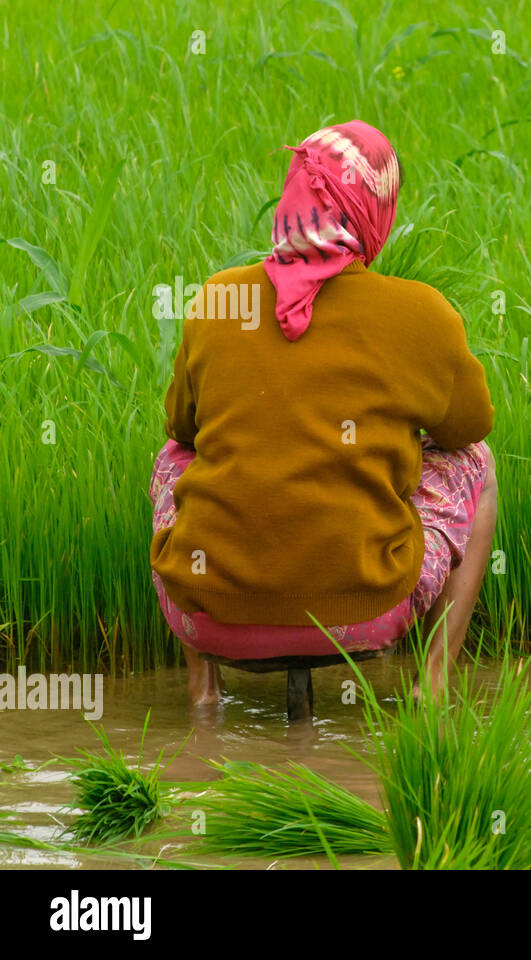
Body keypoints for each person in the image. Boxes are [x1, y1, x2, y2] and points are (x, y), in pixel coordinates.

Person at [149, 120, 496, 706]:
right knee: (477, 464)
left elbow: (182, 427)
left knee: (174, 456)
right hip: (369, 610)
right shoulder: (422, 313)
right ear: (373, 208)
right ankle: (432, 687)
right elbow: (469, 427)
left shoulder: (218, 300)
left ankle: (202, 689)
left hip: (207, 612)